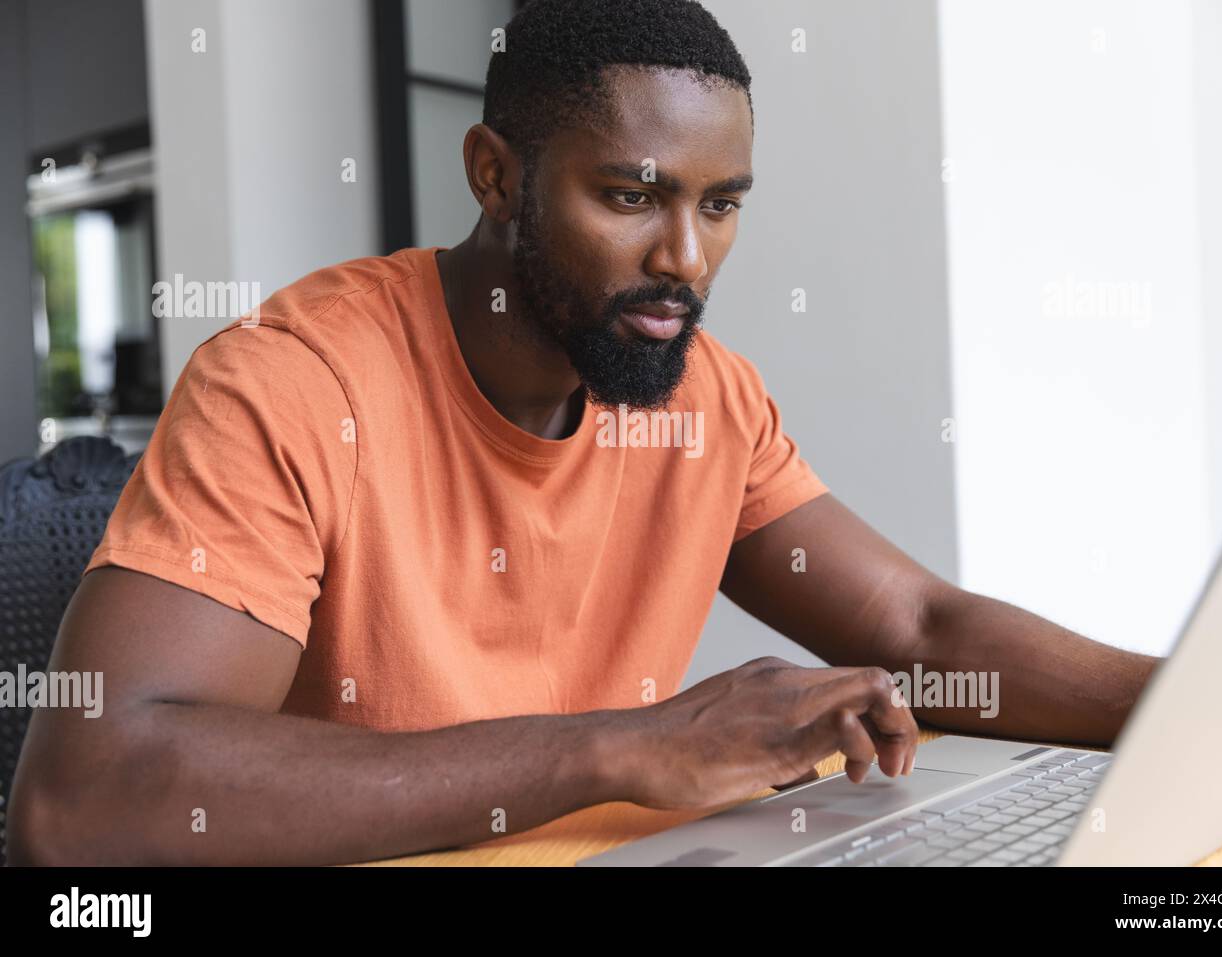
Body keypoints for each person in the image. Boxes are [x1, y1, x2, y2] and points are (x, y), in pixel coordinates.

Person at [8, 0, 1157, 866]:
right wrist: (620, 746)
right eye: (630, 197)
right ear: (497, 176)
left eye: (719, 205)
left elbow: (918, 625)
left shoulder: (702, 395)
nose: (685, 260)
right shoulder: (292, 386)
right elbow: (85, 797)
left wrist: (1205, 701)